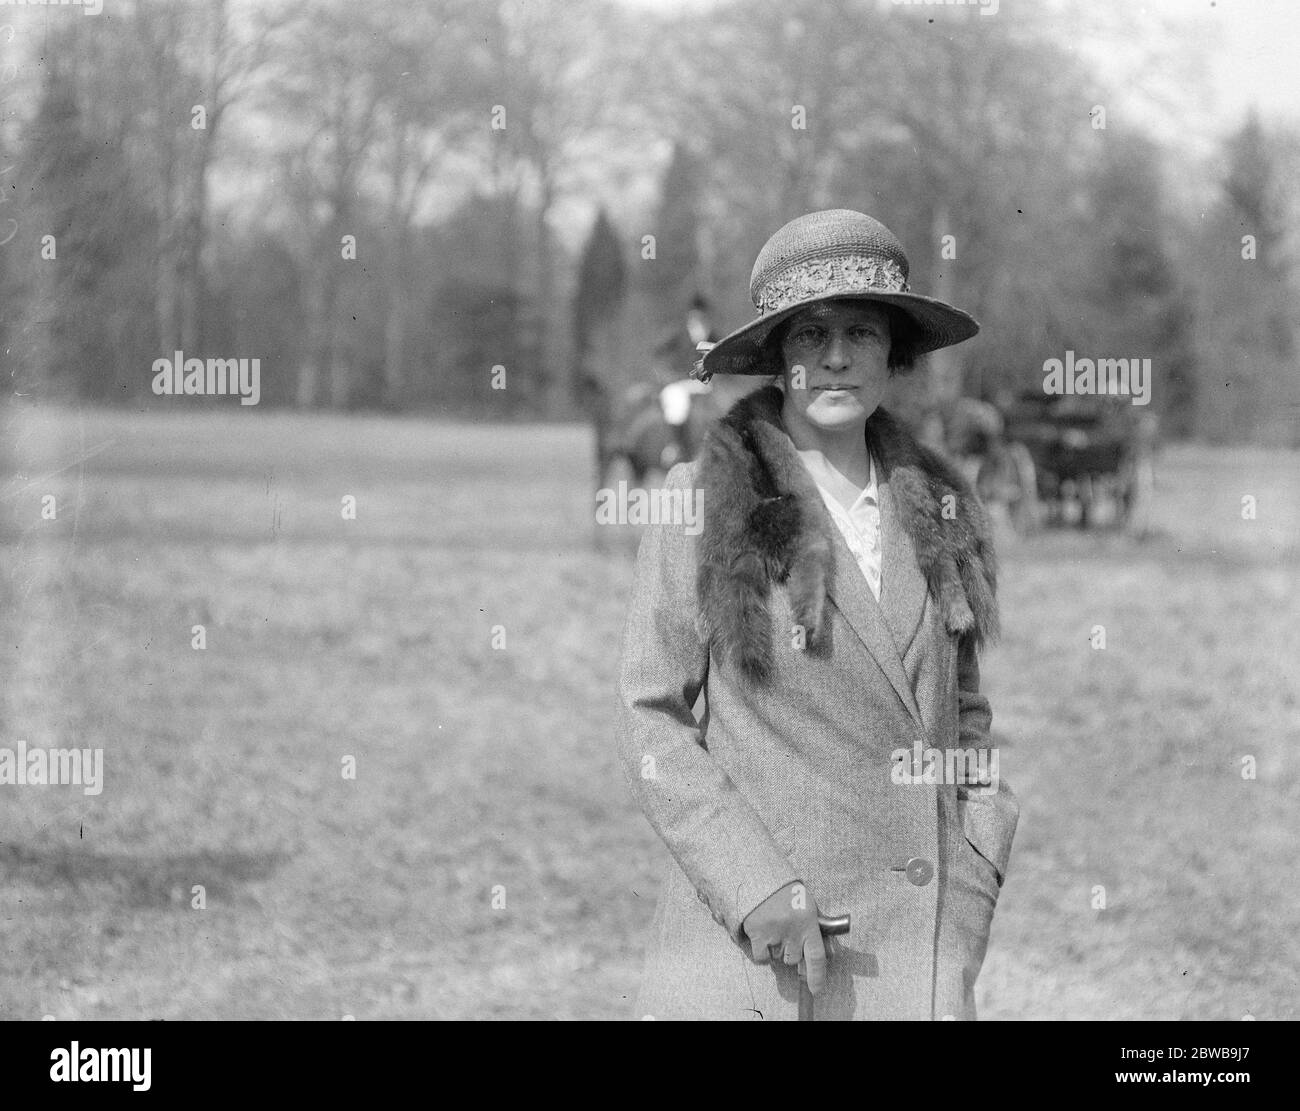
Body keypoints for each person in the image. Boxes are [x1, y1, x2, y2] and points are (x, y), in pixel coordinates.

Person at [615, 209, 1019, 1020]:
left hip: (921, 960)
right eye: (810, 334)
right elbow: (651, 715)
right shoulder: (703, 500)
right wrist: (753, 883)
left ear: (895, 351)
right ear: (779, 356)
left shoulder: (941, 509)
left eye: (862, 331)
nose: (836, 357)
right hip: (761, 963)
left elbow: (965, 716)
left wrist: (971, 879)